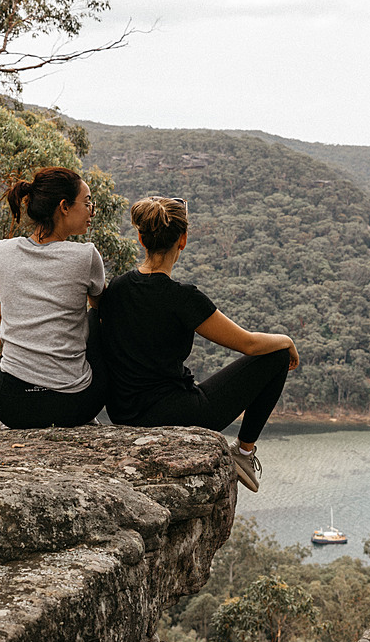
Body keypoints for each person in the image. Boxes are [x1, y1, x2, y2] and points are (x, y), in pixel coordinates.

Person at [99, 196, 298, 491]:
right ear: (183, 240)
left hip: (122, 412)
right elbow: (250, 345)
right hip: (177, 415)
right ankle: (244, 452)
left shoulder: (114, 288)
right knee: (276, 355)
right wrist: (288, 341)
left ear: (140, 238)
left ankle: (243, 452)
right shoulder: (183, 298)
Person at [0, 167, 107, 429]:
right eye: (87, 203)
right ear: (64, 206)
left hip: (11, 404)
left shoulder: (0, 252)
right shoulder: (85, 256)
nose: (91, 211)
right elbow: (99, 309)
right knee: (98, 317)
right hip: (73, 405)